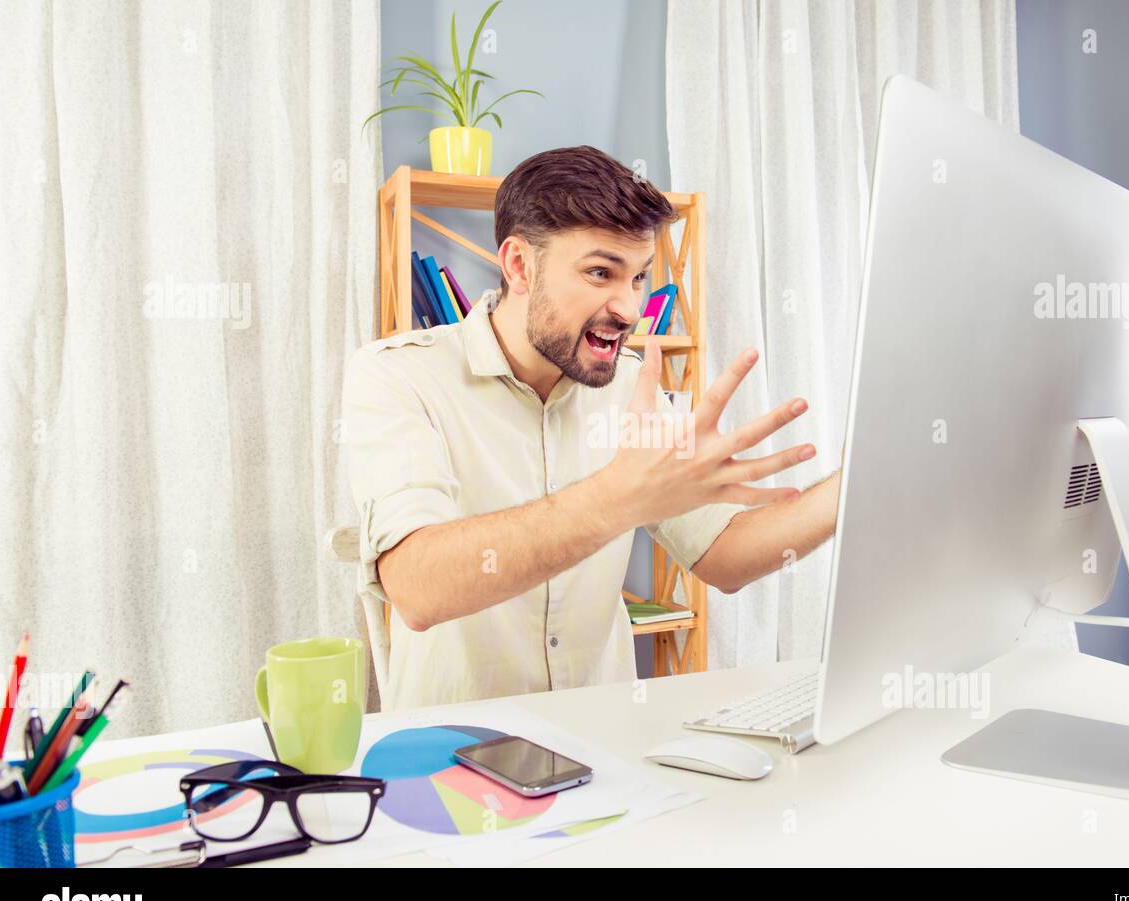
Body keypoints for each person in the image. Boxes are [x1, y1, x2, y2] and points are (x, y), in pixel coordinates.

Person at [343, 145, 839, 710]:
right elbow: (418, 586)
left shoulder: (635, 389)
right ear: (519, 266)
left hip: (604, 744)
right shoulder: (398, 375)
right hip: (452, 756)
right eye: (600, 272)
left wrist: (860, 485)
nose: (629, 308)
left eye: (639, 278)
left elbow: (723, 556)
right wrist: (617, 498)